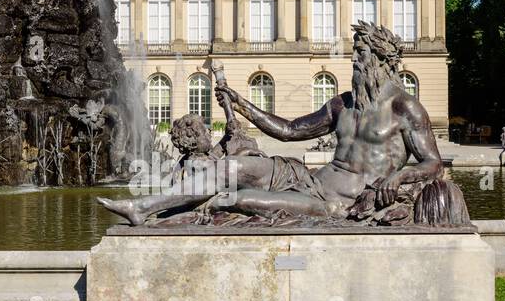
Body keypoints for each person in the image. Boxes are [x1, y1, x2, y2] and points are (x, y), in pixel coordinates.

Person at [100, 22, 460, 226]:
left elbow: (433, 163)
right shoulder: (343, 104)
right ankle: (143, 208)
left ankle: (173, 219)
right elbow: (288, 130)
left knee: (235, 198)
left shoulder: (405, 108)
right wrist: (241, 104)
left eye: (360, 54)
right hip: (305, 180)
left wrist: (398, 176)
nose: (354, 61)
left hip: (338, 204)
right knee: (232, 167)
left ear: (381, 59)